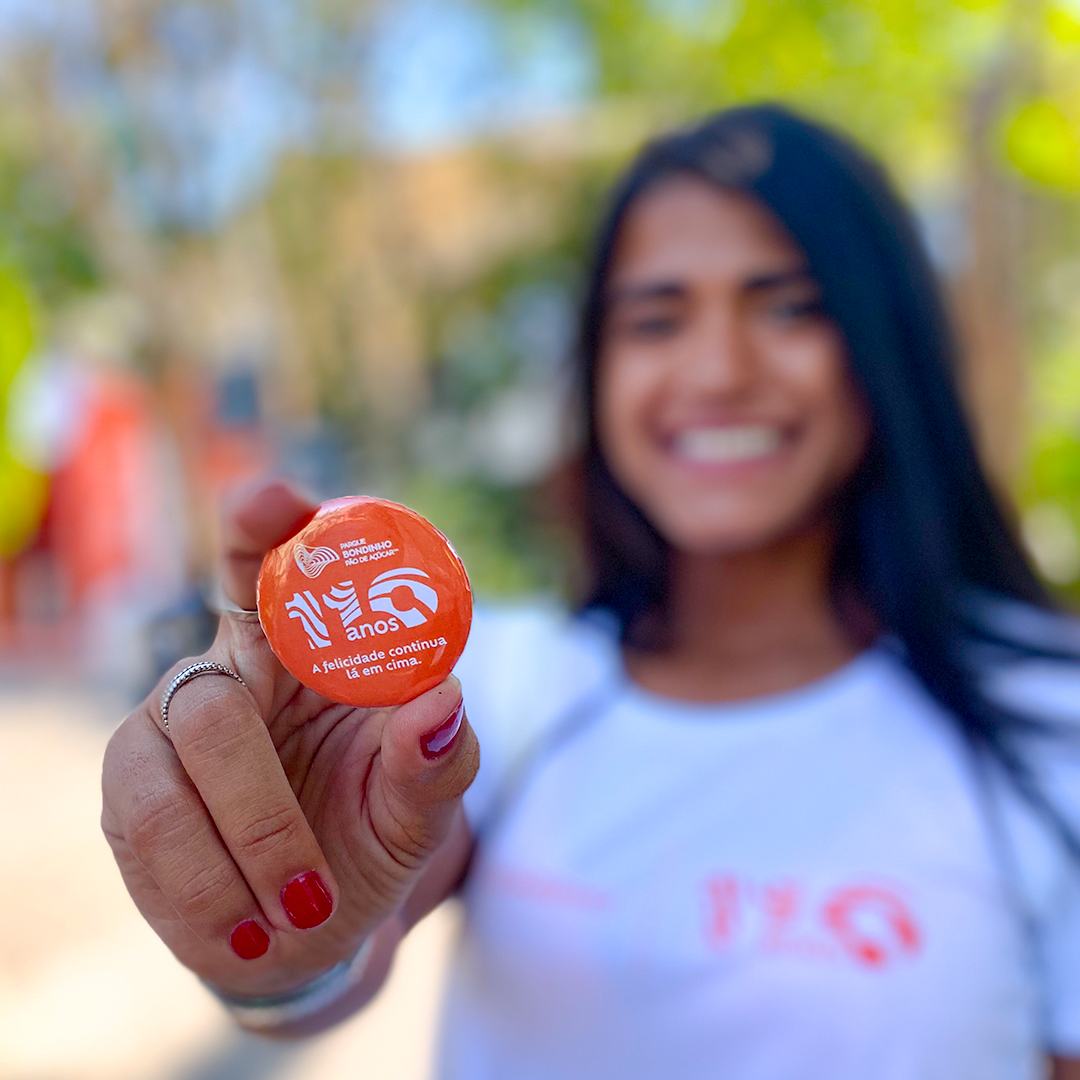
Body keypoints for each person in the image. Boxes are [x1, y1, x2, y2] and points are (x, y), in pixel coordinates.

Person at [102, 105, 1080, 1079]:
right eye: (656, 318)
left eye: (790, 307)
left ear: (884, 346)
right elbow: (339, 958)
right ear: (598, 372)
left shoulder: (1055, 719)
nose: (718, 370)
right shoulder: (498, 690)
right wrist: (290, 950)